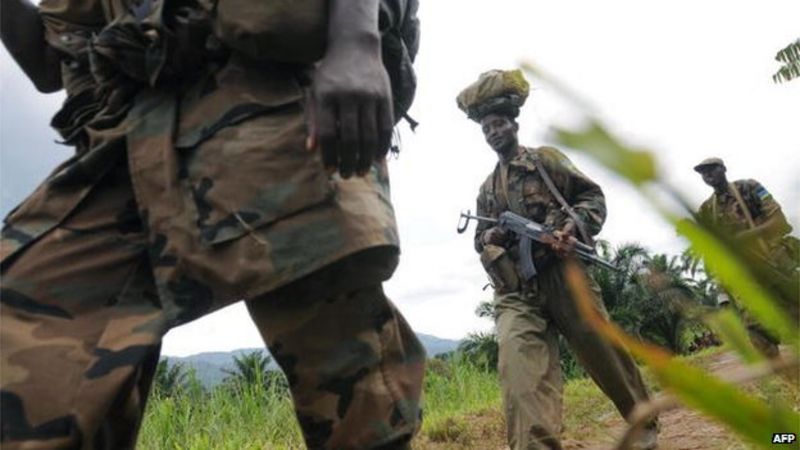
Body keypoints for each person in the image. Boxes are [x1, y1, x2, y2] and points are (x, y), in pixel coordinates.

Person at [0, 0, 425, 448]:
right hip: (129, 150)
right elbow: (49, 62)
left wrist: (355, 41)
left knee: (354, 406)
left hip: (274, 122)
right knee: (21, 355)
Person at [458, 70, 657, 450]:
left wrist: (571, 228)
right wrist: (489, 237)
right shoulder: (486, 189)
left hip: (567, 278)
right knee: (520, 376)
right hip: (516, 291)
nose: (493, 133)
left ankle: (644, 427)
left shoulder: (545, 161)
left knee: (606, 358)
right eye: (486, 129)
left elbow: (591, 198)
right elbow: (477, 241)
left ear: (514, 124)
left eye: (498, 124)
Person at [695, 157, 799, 357]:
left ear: (723, 169)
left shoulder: (749, 188)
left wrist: (745, 238)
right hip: (746, 279)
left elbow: (780, 221)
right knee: (757, 333)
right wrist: (722, 293)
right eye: (702, 173)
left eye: (711, 169)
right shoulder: (707, 210)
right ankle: (789, 381)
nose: (707, 175)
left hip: (776, 265)